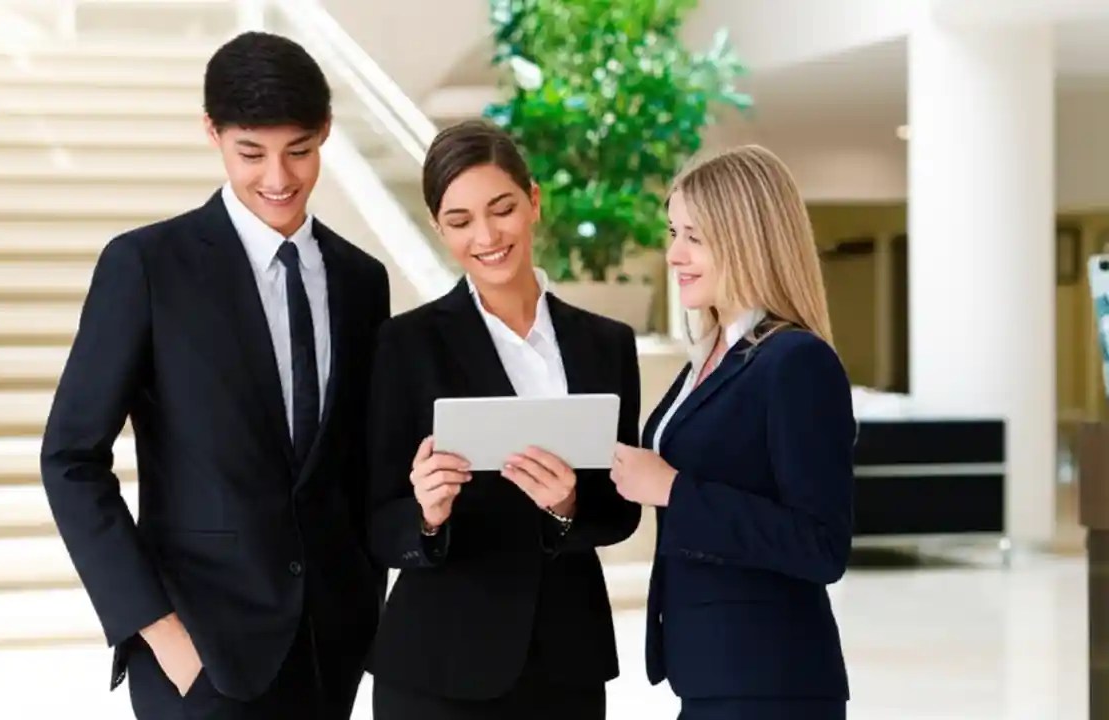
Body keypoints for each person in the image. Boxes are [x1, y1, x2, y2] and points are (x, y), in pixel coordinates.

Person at [40, 31, 390, 720]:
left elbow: (351, 463)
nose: (278, 178)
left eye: (299, 150)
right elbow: (70, 458)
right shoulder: (147, 267)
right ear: (213, 133)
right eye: (251, 153)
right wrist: (156, 629)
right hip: (199, 657)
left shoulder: (361, 280)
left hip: (330, 651)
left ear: (326, 130)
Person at [364, 120, 642, 720]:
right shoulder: (404, 346)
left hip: (565, 665)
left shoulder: (605, 345)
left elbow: (621, 511)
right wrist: (427, 515)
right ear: (439, 228)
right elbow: (376, 522)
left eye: (503, 209)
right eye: (460, 221)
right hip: (437, 670)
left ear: (533, 201)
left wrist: (567, 508)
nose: (487, 236)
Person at [611, 145, 854, 720]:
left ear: (747, 239)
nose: (674, 254)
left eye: (694, 237)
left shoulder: (796, 361)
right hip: (712, 671)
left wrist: (674, 490)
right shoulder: (710, 355)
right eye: (673, 233)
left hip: (772, 682)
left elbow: (821, 546)